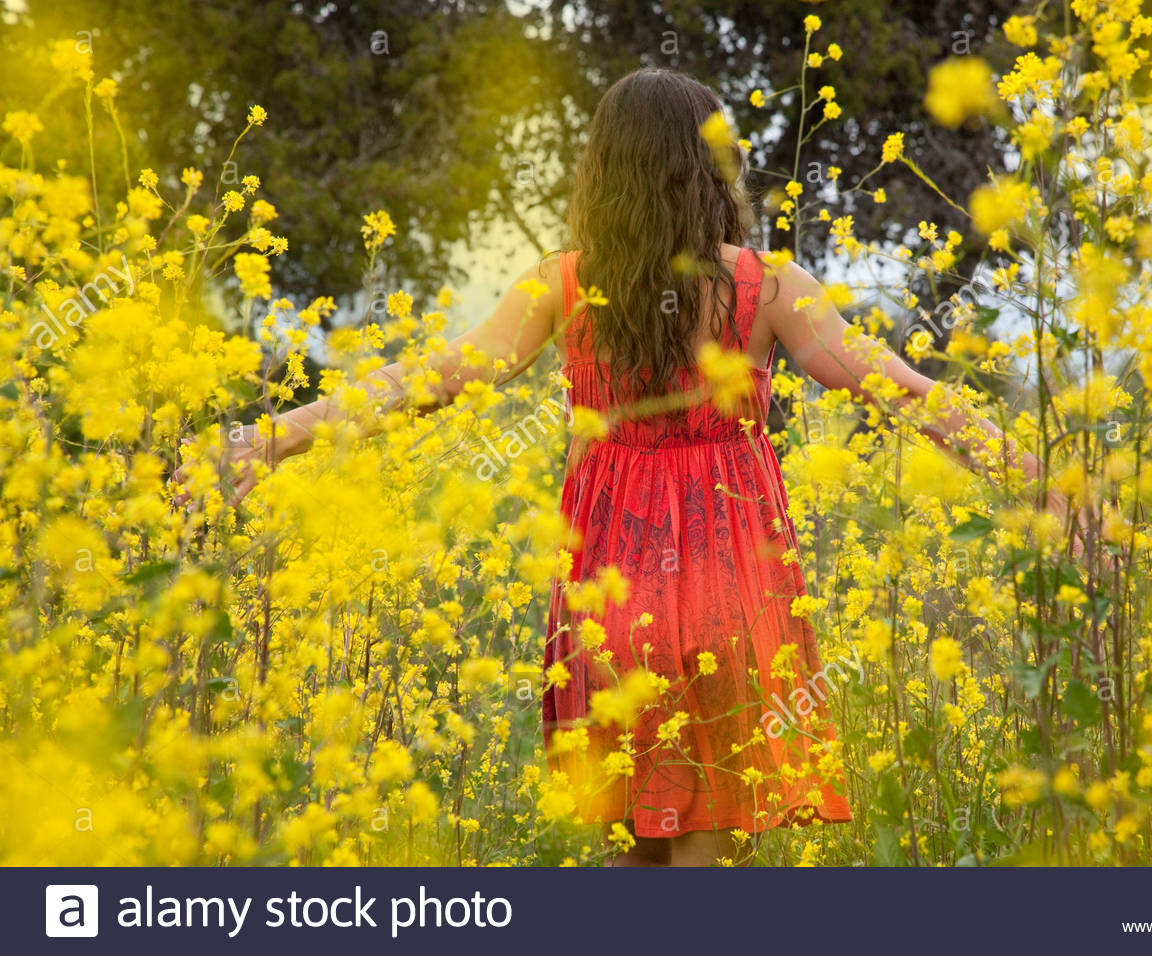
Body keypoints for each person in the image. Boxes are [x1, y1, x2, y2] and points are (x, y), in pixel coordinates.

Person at [178, 67, 1083, 867]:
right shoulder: (768, 287)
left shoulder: (565, 284)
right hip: (732, 571)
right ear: (713, 166)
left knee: (631, 833)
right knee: (705, 833)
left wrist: (274, 436)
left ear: (604, 172)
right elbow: (904, 391)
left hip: (610, 582)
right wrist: (1039, 476)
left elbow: (434, 377)